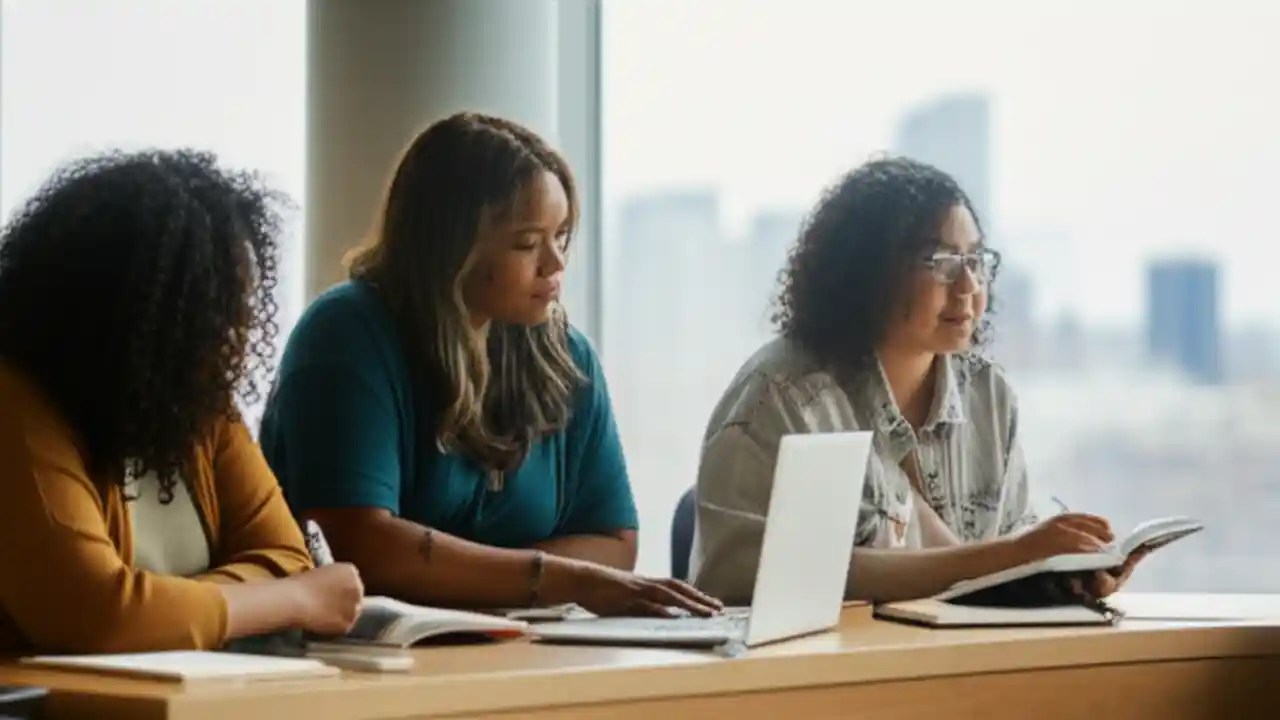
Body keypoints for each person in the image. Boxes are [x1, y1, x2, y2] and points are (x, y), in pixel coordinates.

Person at [261, 112, 720, 618]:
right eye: (527, 243)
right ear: (451, 246)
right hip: (362, 664)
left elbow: (614, 547)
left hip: (521, 651)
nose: (555, 262)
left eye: (561, 236)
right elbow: (358, 544)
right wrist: (553, 577)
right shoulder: (345, 333)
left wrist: (479, 574)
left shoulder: (567, 355)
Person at [691, 157, 1140, 604]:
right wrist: (1012, 556)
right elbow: (739, 582)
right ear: (869, 271)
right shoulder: (781, 399)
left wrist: (1066, 573)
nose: (968, 286)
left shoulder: (989, 395)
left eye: (975, 260)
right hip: (840, 670)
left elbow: (1014, 559)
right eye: (941, 262)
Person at [0, 150, 364, 653]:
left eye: (239, 308)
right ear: (123, 308)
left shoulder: (199, 406)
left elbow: (286, 556)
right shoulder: (16, 404)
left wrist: (162, 607)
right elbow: (99, 617)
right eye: (208, 311)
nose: (234, 337)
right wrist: (293, 601)